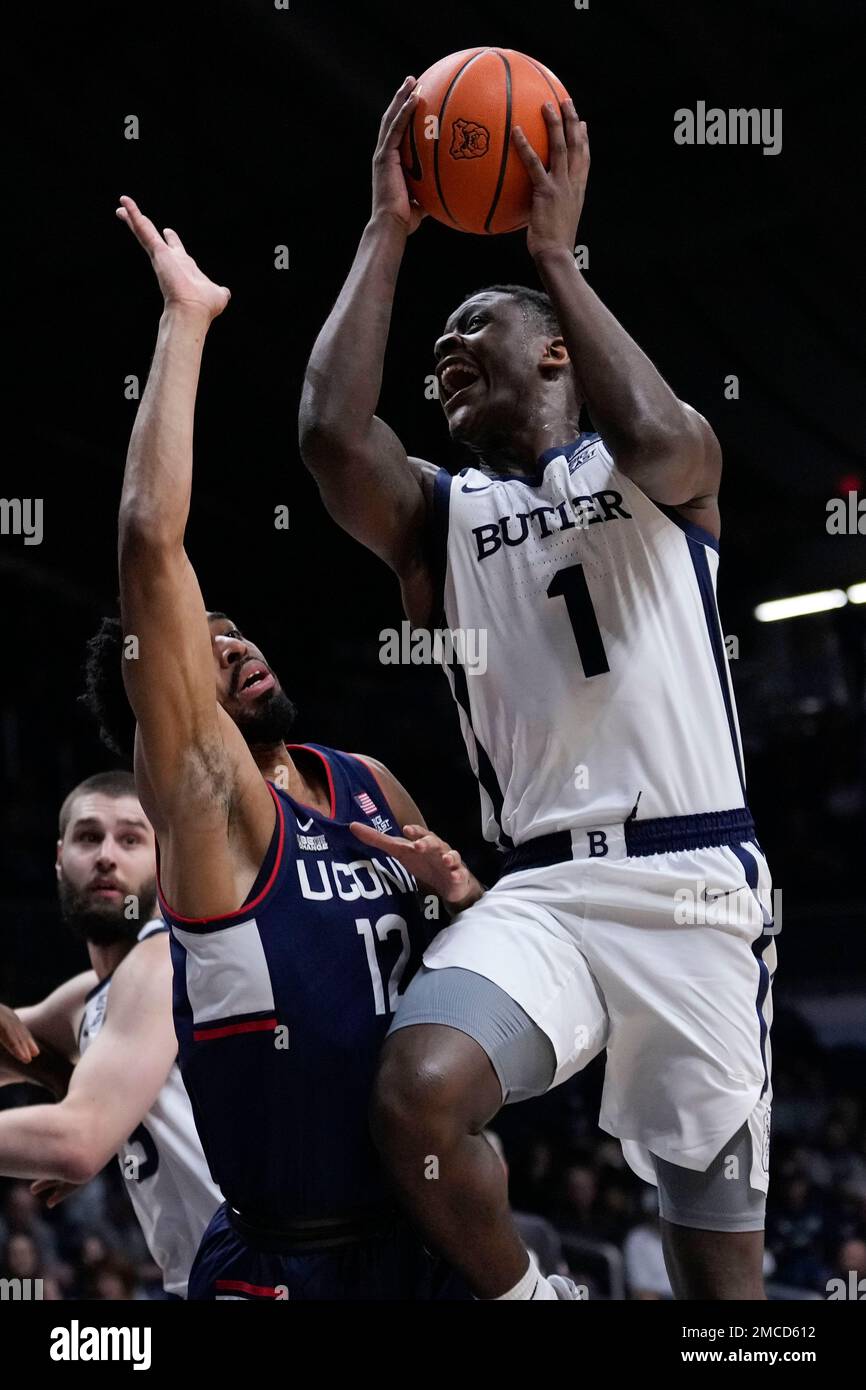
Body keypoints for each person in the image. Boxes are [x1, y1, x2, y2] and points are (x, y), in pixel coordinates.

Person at [298, 77, 776, 1301]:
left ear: (556, 349)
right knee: (415, 1095)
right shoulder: (438, 515)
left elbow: (661, 432)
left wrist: (554, 258)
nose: (442, 353)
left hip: (692, 887)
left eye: (474, 329)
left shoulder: (659, 472)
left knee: (723, 1292)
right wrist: (386, 229)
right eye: (436, 350)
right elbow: (329, 437)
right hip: (543, 891)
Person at [107, 195, 481, 1299]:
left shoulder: (368, 782)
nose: (231, 647)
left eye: (238, 631)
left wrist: (467, 899)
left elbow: (468, 974)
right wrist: (186, 321)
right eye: (203, 644)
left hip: (428, 1237)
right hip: (294, 1259)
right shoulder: (211, 810)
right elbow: (148, 541)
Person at [0, 770, 222, 1298]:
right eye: (88, 837)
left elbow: (77, 1141)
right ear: (60, 858)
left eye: (129, 839)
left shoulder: (165, 959)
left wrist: (77, 1123)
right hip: (209, 1277)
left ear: (162, 860)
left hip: (279, 1273)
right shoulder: (87, 999)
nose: (105, 856)